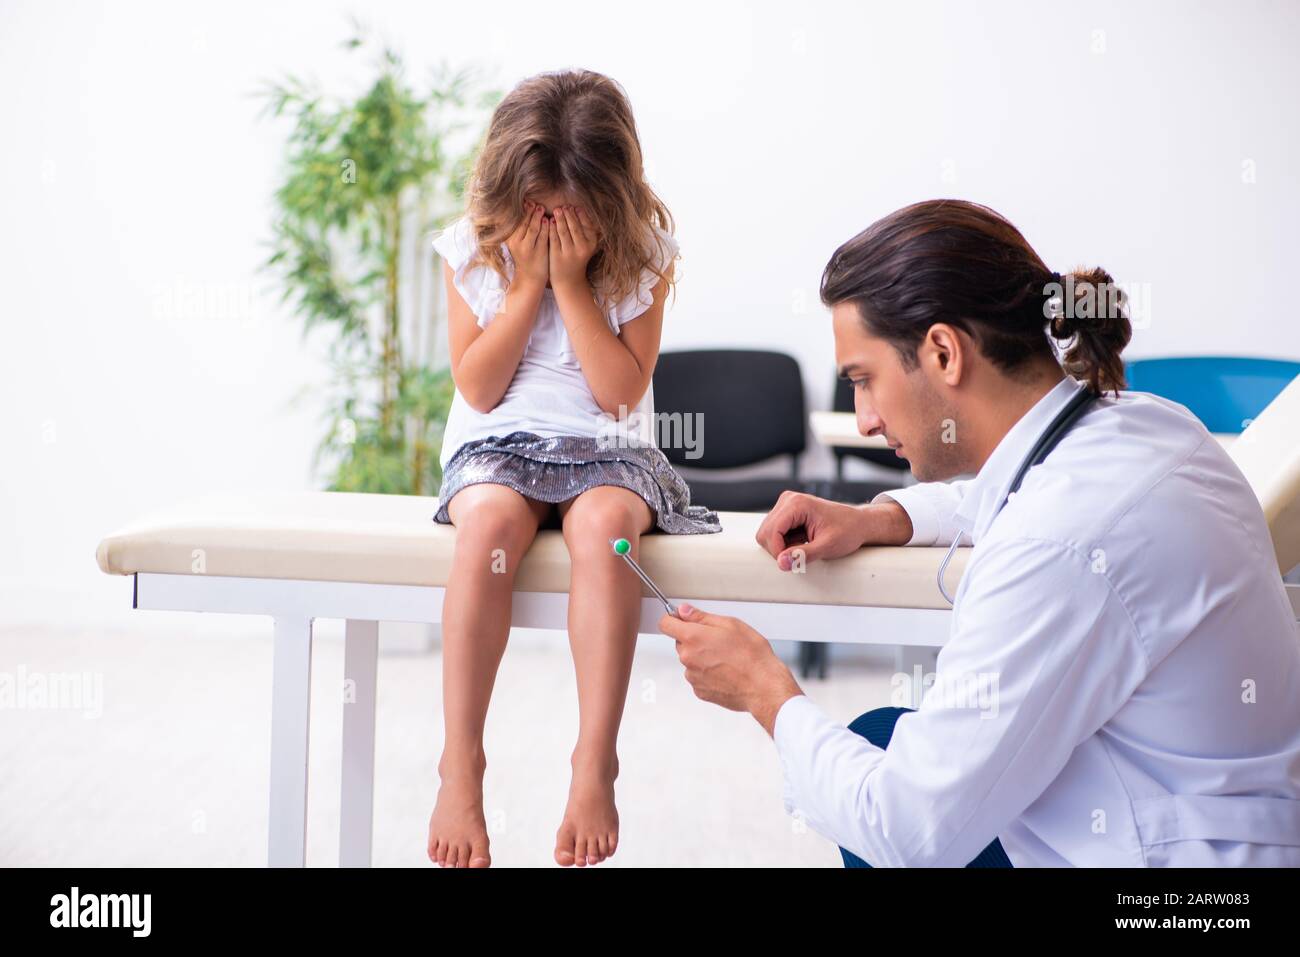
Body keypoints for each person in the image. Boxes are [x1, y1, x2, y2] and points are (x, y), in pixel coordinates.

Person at [660, 199, 1300, 866]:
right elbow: (1014, 488)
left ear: (943, 351)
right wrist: (885, 517)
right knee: (882, 736)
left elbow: (909, 833)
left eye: (863, 380)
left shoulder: (1056, 548)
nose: (866, 419)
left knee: (879, 795)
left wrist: (768, 692)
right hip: (1230, 817)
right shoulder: (1147, 426)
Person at [428, 69, 721, 869]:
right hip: (499, 444)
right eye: (538, 212)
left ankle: (595, 757)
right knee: (486, 521)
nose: (553, 226)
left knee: (603, 529)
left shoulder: (643, 257)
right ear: (506, 193)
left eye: (571, 212)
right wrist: (528, 284)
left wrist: (572, 286)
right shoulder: (473, 253)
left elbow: (620, 391)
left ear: (612, 196)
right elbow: (480, 388)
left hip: (608, 446)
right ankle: (462, 761)